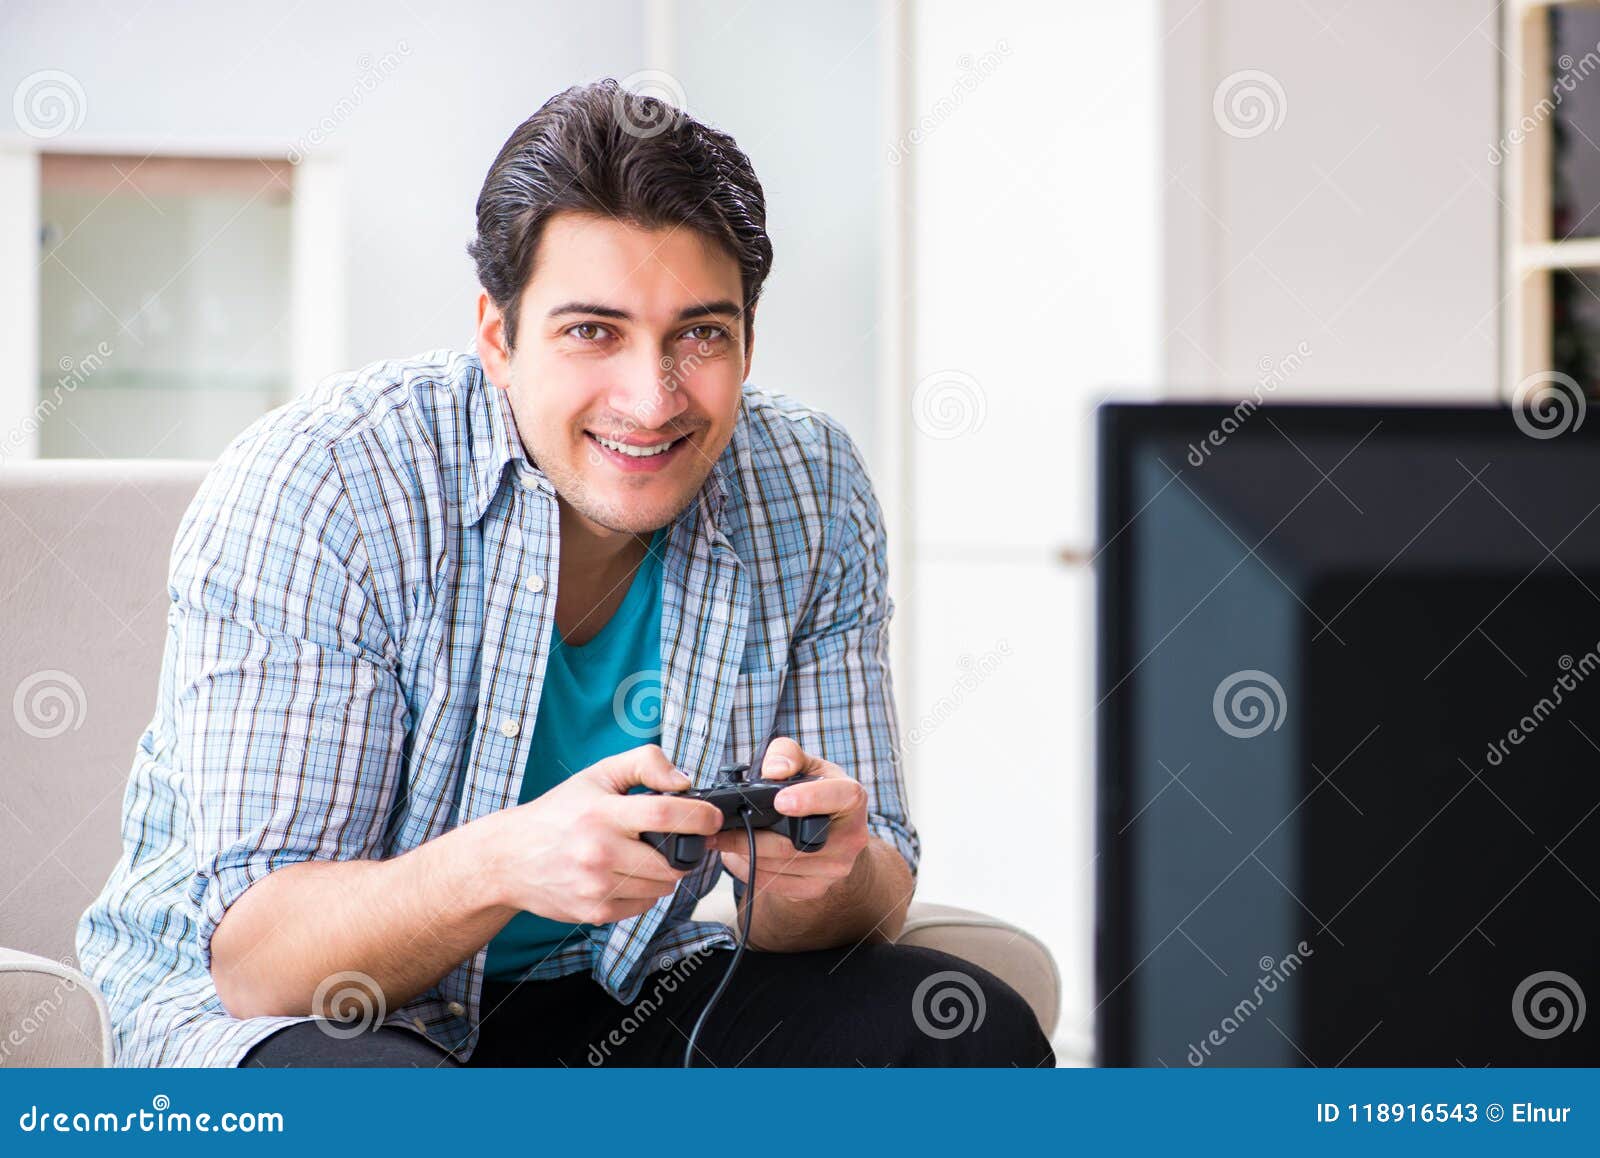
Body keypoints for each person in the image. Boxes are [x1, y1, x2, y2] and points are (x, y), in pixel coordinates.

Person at [76, 79, 1053, 1069]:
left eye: (700, 334)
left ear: (747, 341)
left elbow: (872, 879)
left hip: (612, 989)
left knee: (970, 1028)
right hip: (308, 1016)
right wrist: (505, 862)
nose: (652, 397)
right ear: (500, 339)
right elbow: (263, 961)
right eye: (593, 331)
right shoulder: (328, 482)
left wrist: (822, 880)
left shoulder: (808, 484)